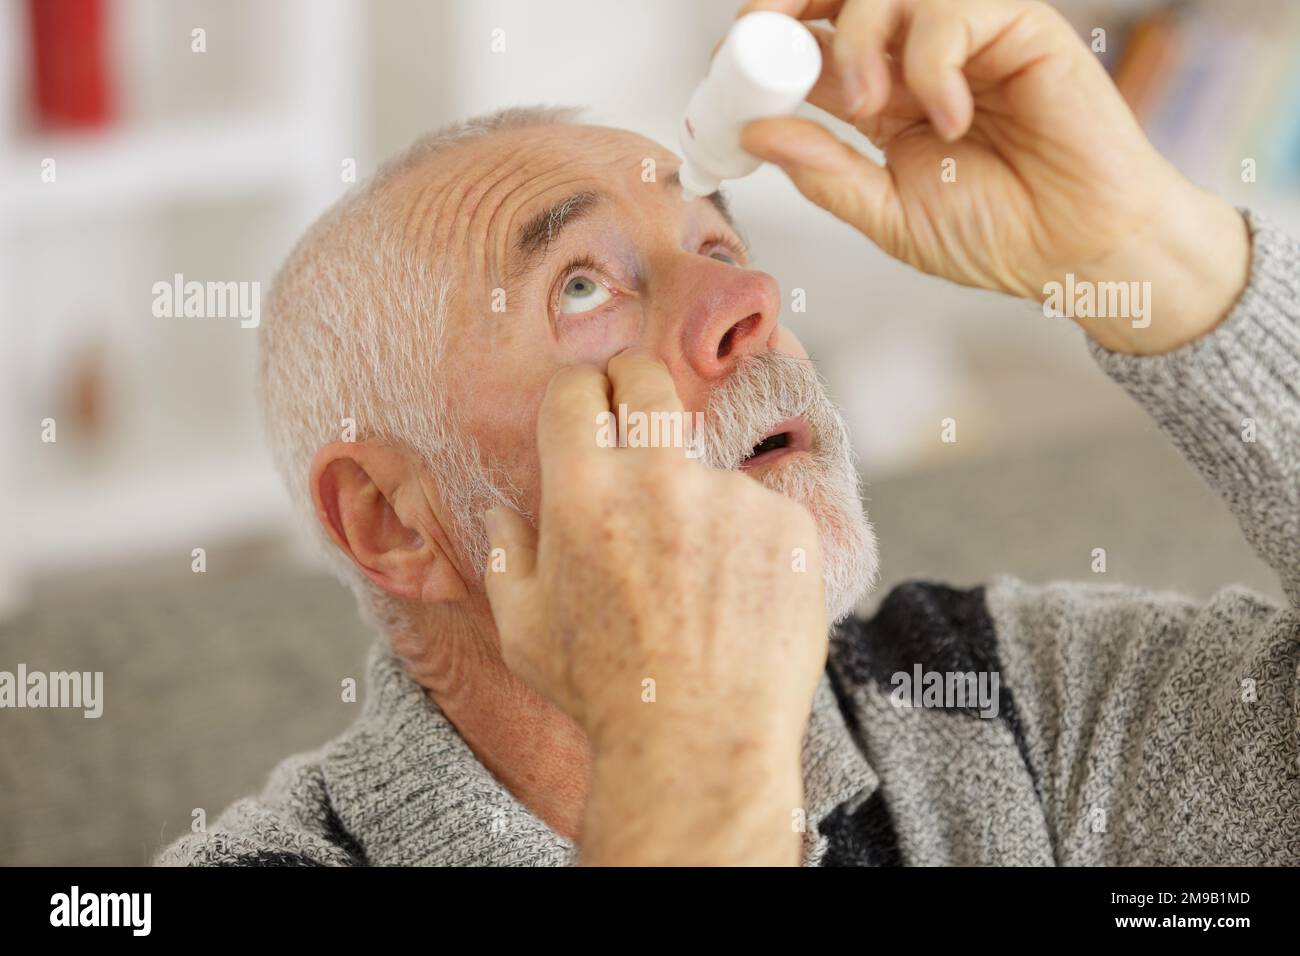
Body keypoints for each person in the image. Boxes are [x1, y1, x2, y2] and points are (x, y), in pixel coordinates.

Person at [158, 0, 1299, 866]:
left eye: (716, 244)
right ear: (390, 519)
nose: (749, 301)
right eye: (580, 287)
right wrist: (694, 760)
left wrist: (1154, 252)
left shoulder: (996, 700)